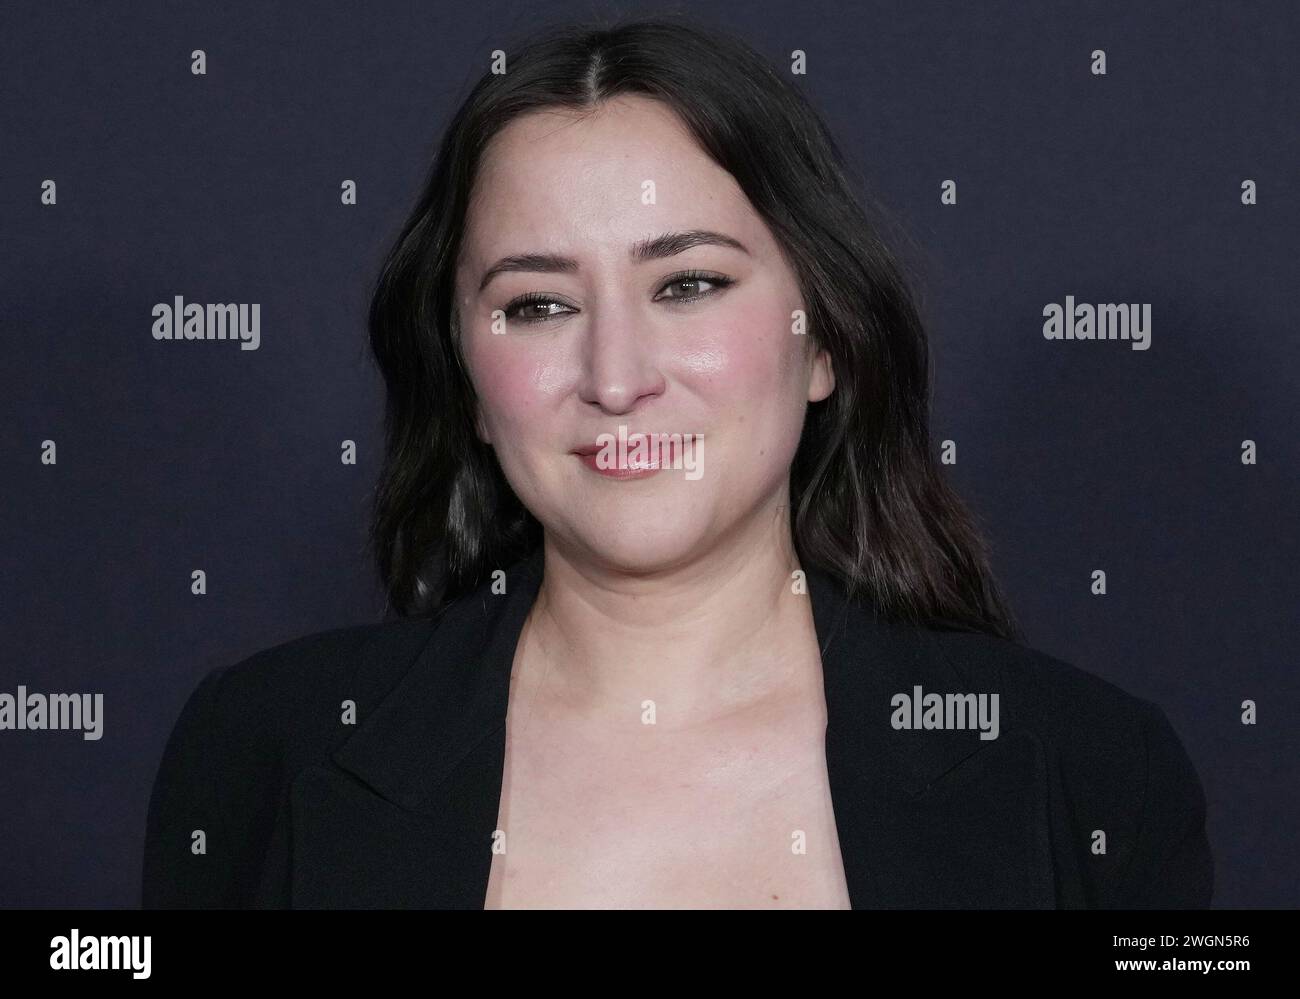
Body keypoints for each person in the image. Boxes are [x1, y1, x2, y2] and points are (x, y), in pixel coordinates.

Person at [142, 17, 1213, 909]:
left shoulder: (1086, 768)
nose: (616, 376)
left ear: (824, 338)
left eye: (688, 285)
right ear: (466, 377)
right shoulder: (266, 750)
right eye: (538, 304)